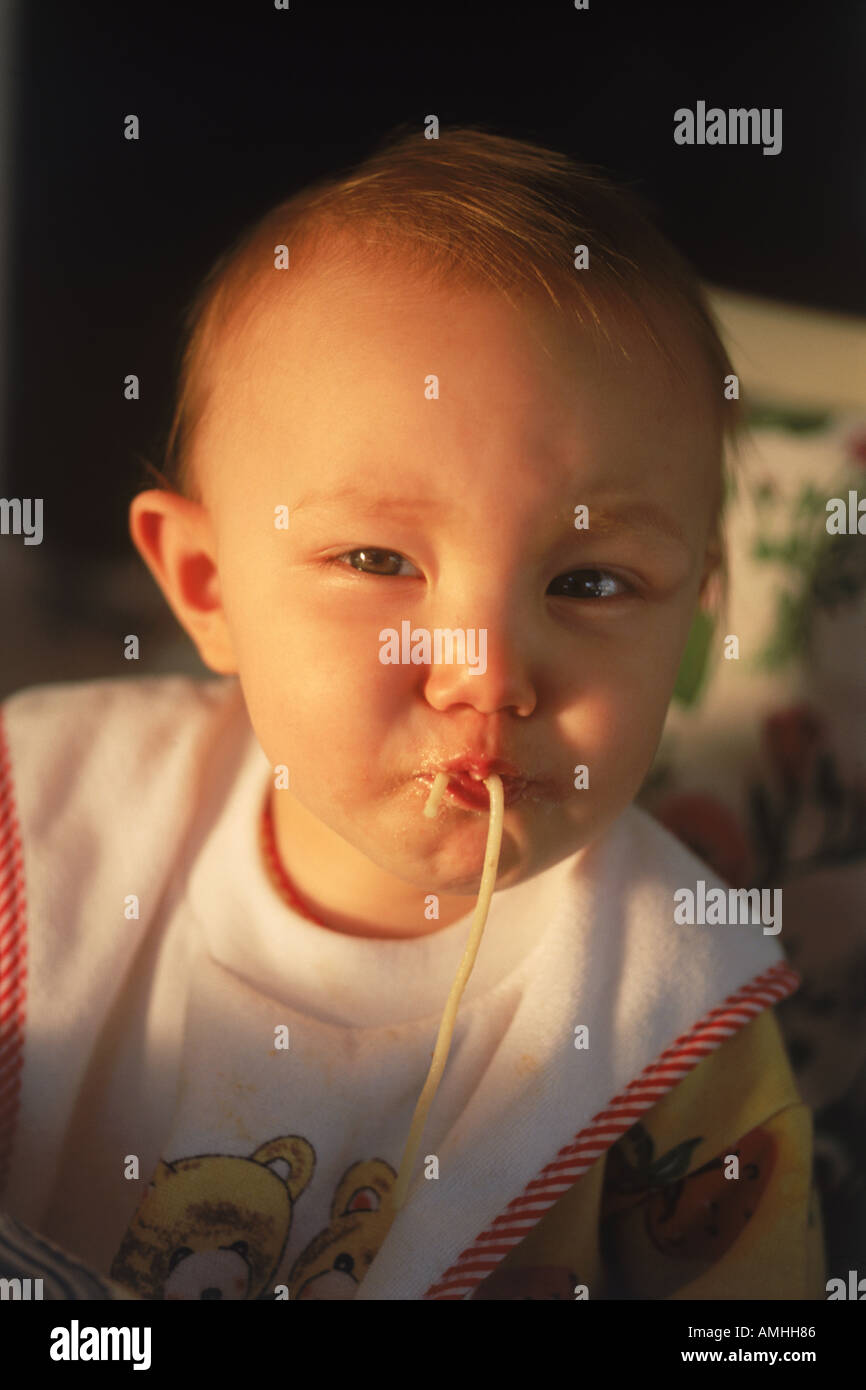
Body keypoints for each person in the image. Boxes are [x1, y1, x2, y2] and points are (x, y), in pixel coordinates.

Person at [0, 126, 825, 1300]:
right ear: (207, 587)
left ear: (690, 616)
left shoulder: (668, 1009)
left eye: (591, 583)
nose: (485, 673)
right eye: (378, 557)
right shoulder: (51, 825)